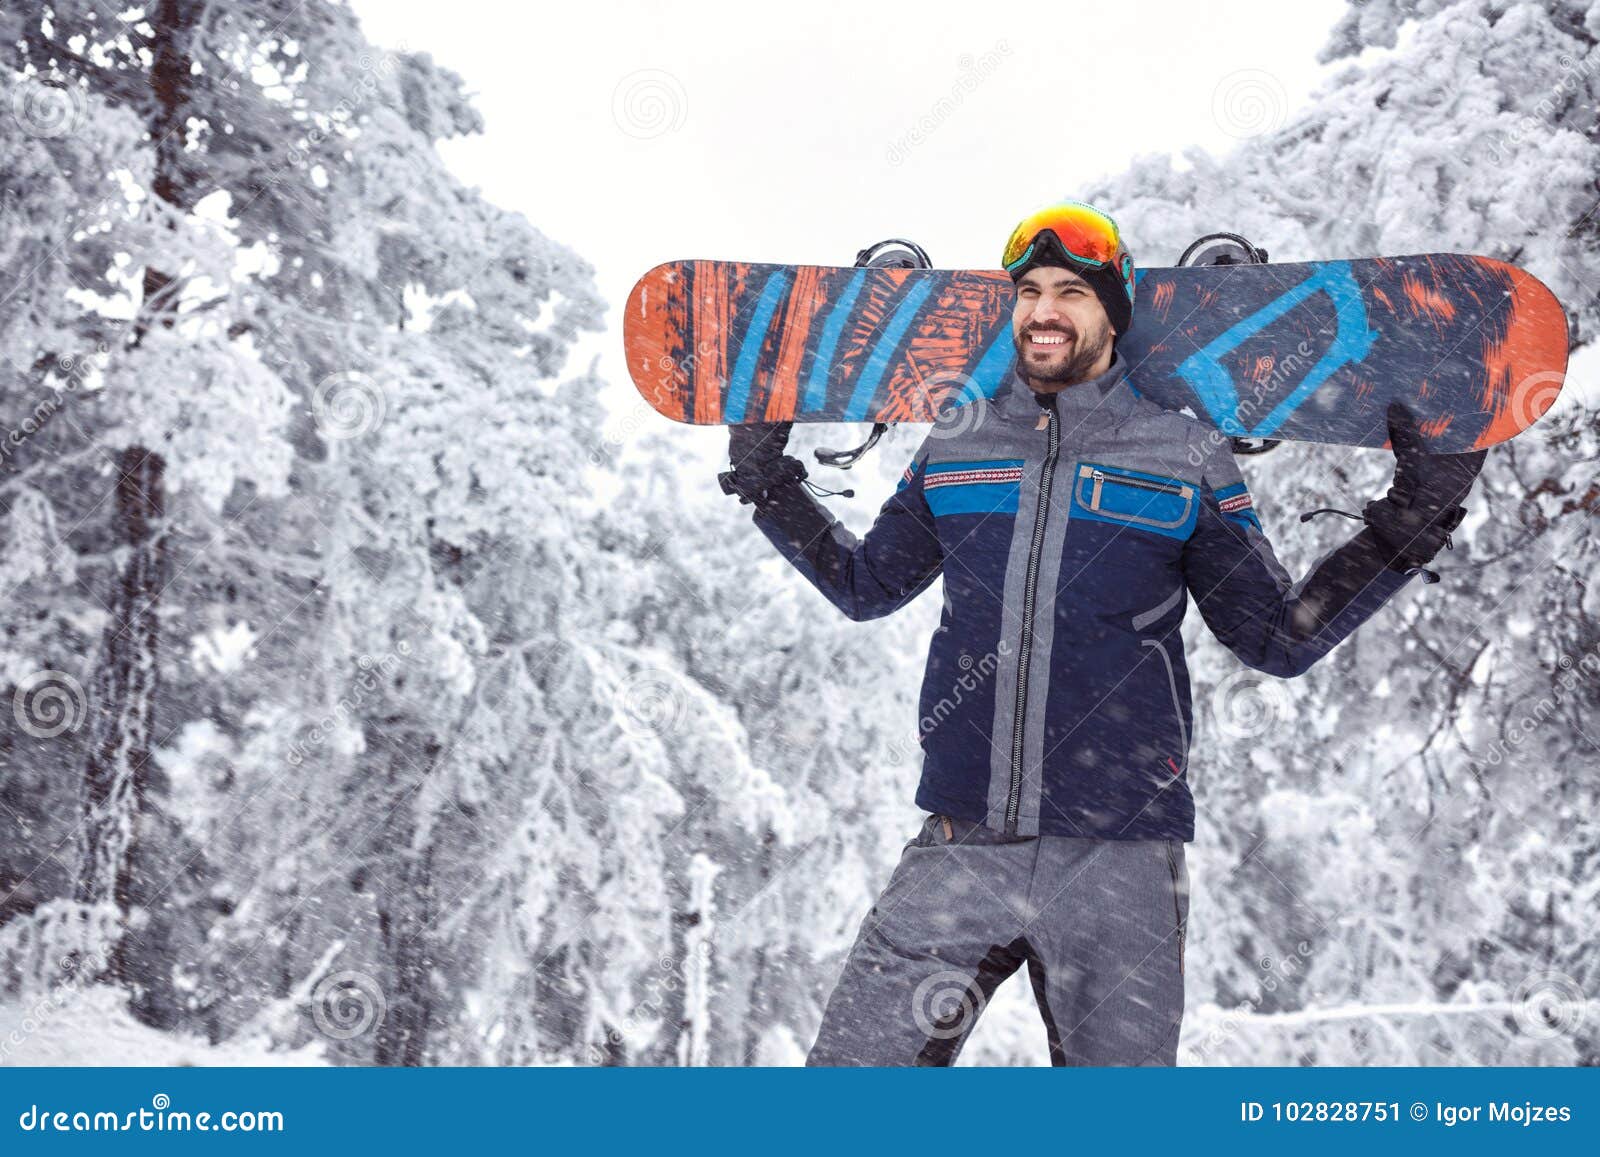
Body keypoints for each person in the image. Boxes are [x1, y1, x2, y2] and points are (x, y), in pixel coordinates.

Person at [721, 201, 1485, 1066]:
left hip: (1120, 868)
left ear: (1112, 313)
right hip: (962, 849)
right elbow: (866, 588)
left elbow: (1277, 636)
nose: (1044, 310)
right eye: (1031, 291)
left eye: (1072, 293)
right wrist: (765, 482)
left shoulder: (1183, 454)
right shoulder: (961, 443)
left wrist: (1411, 522)